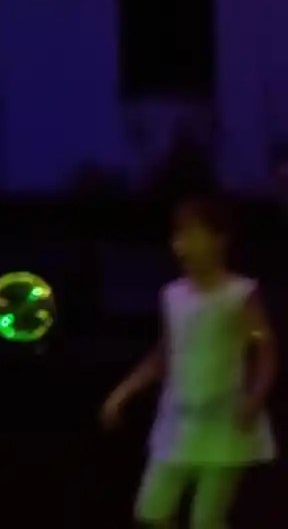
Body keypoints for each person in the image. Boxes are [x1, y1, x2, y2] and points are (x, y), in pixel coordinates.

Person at [101, 196, 277, 529]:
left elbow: (265, 350)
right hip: (178, 421)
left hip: (225, 421)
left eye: (193, 235)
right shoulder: (172, 295)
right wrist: (122, 393)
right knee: (152, 509)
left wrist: (256, 396)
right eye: (179, 236)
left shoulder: (239, 294)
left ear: (219, 239)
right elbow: (163, 355)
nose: (182, 244)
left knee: (206, 519)